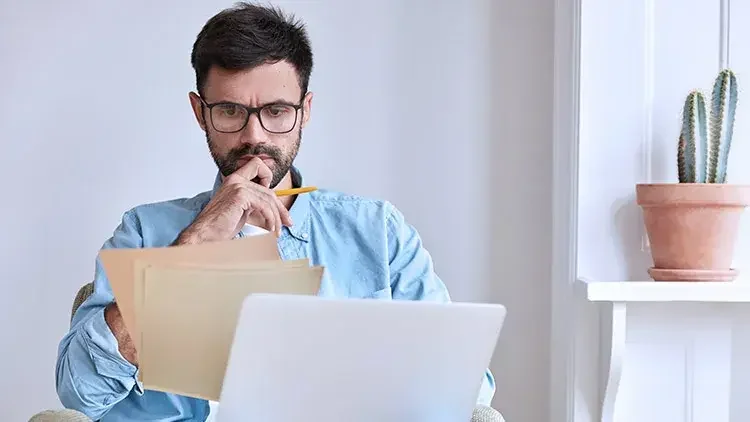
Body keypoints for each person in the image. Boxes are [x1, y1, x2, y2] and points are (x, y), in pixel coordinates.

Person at [54, 2, 496, 421]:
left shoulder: (377, 232)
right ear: (199, 112)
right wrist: (197, 245)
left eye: (277, 111)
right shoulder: (145, 230)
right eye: (229, 110)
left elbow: (464, 389)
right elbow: (81, 394)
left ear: (304, 112)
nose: (254, 135)